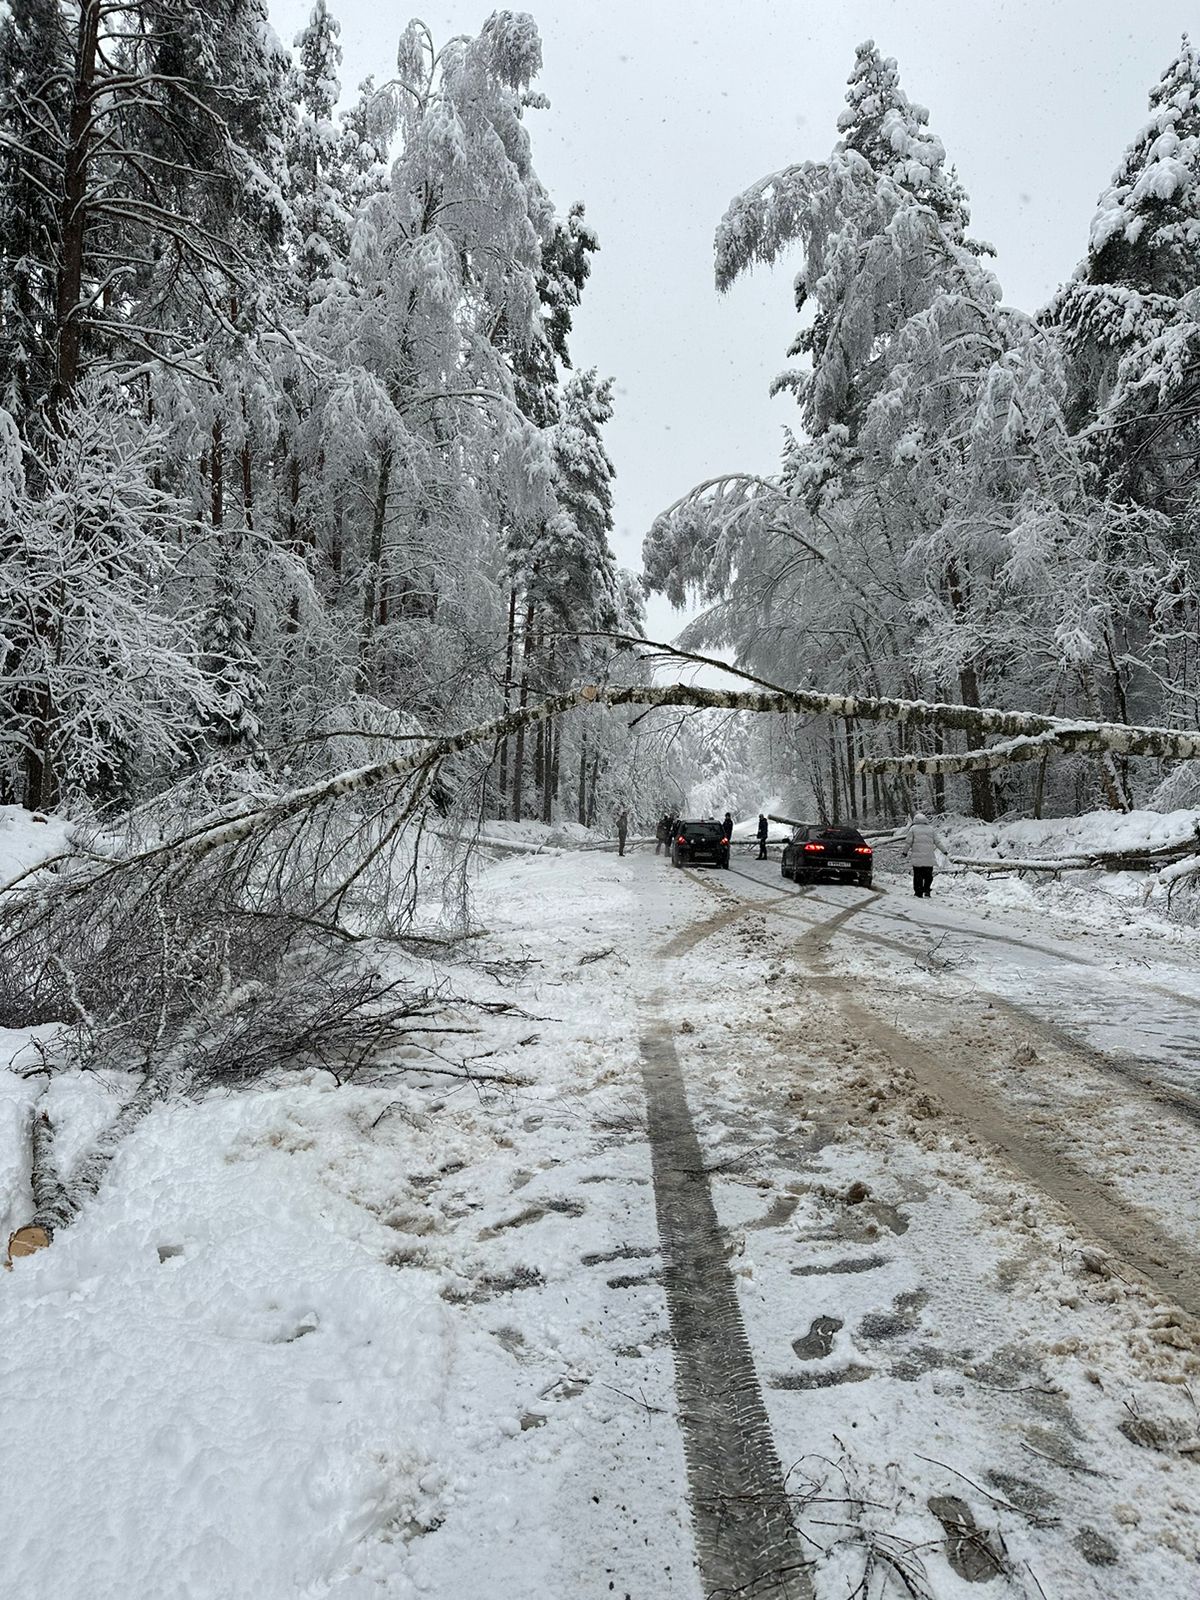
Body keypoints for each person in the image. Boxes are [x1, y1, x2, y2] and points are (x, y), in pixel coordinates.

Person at [905, 811, 939, 897]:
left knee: (918, 876)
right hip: (929, 857)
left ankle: (918, 892)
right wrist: (945, 851)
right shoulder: (931, 829)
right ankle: (927, 889)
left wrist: (904, 852)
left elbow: (908, 842)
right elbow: (938, 842)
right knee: (928, 875)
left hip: (917, 858)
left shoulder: (913, 829)